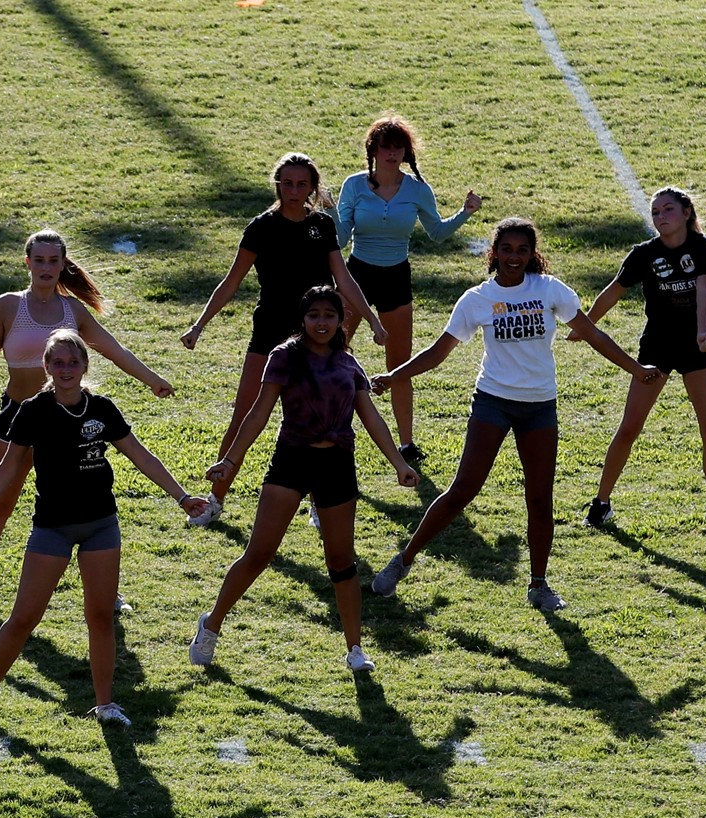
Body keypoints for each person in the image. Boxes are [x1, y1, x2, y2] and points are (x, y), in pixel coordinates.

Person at [368, 218, 662, 612]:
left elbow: (593, 333)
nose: (514, 257)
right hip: (493, 401)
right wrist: (394, 376)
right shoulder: (477, 299)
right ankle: (403, 560)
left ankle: (539, 584)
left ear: (532, 254)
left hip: (539, 406)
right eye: (506, 249)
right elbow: (438, 352)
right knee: (462, 490)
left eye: (522, 250)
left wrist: (636, 369)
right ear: (494, 252)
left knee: (540, 499)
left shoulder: (549, 289)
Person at [0, 330, 204, 729]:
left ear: (85, 365)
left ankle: (105, 704)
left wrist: (182, 497)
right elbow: (8, 468)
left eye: (73, 362)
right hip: (52, 528)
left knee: (100, 617)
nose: (66, 369)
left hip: (101, 526)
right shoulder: (33, 410)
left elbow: (140, 456)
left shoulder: (102, 408)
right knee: (23, 618)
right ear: (46, 367)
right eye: (58, 362)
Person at [0, 230, 176, 616]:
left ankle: (107, 591)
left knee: (86, 506)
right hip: (19, 415)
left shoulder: (73, 311)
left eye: (53, 261)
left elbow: (113, 349)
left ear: (63, 264)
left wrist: (152, 380)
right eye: (40, 260)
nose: (46, 267)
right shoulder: (7, 307)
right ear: (27, 263)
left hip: (68, 420)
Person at [187, 287, 419, 672]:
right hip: (292, 460)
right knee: (259, 553)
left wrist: (399, 463)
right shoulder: (284, 356)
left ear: (341, 321)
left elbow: (371, 417)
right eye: (314, 315)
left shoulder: (349, 363)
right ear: (303, 319)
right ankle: (211, 625)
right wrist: (229, 460)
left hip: (337, 464)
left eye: (329, 315)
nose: (321, 322)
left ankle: (355, 649)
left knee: (342, 562)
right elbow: (259, 413)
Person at [180, 152, 387, 524]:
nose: (294, 191)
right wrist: (199, 325)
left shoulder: (322, 225)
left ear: (312, 187)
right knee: (244, 415)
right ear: (278, 185)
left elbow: (343, 277)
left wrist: (372, 319)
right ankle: (215, 499)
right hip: (270, 332)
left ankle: (320, 501)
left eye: (302, 184)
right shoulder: (261, 227)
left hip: (318, 336)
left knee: (321, 421)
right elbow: (232, 281)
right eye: (287, 183)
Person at [572, 187, 706, 528]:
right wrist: (586, 325)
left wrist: (702, 332)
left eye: (668, 209)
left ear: (686, 213)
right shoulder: (643, 254)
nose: (660, 217)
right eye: (655, 212)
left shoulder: (701, 247)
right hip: (656, 349)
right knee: (630, 427)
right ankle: (601, 503)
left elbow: (704, 289)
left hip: (697, 348)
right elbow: (613, 291)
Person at [334, 116, 483, 462]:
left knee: (400, 363)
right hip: (356, 276)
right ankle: (332, 429)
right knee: (334, 353)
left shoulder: (418, 189)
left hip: (396, 277)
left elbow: (437, 232)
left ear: (406, 151)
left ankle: (406, 442)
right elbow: (340, 240)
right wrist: (328, 210)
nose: (392, 153)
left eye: (397, 147)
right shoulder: (353, 185)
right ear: (373, 150)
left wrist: (465, 212)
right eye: (385, 147)